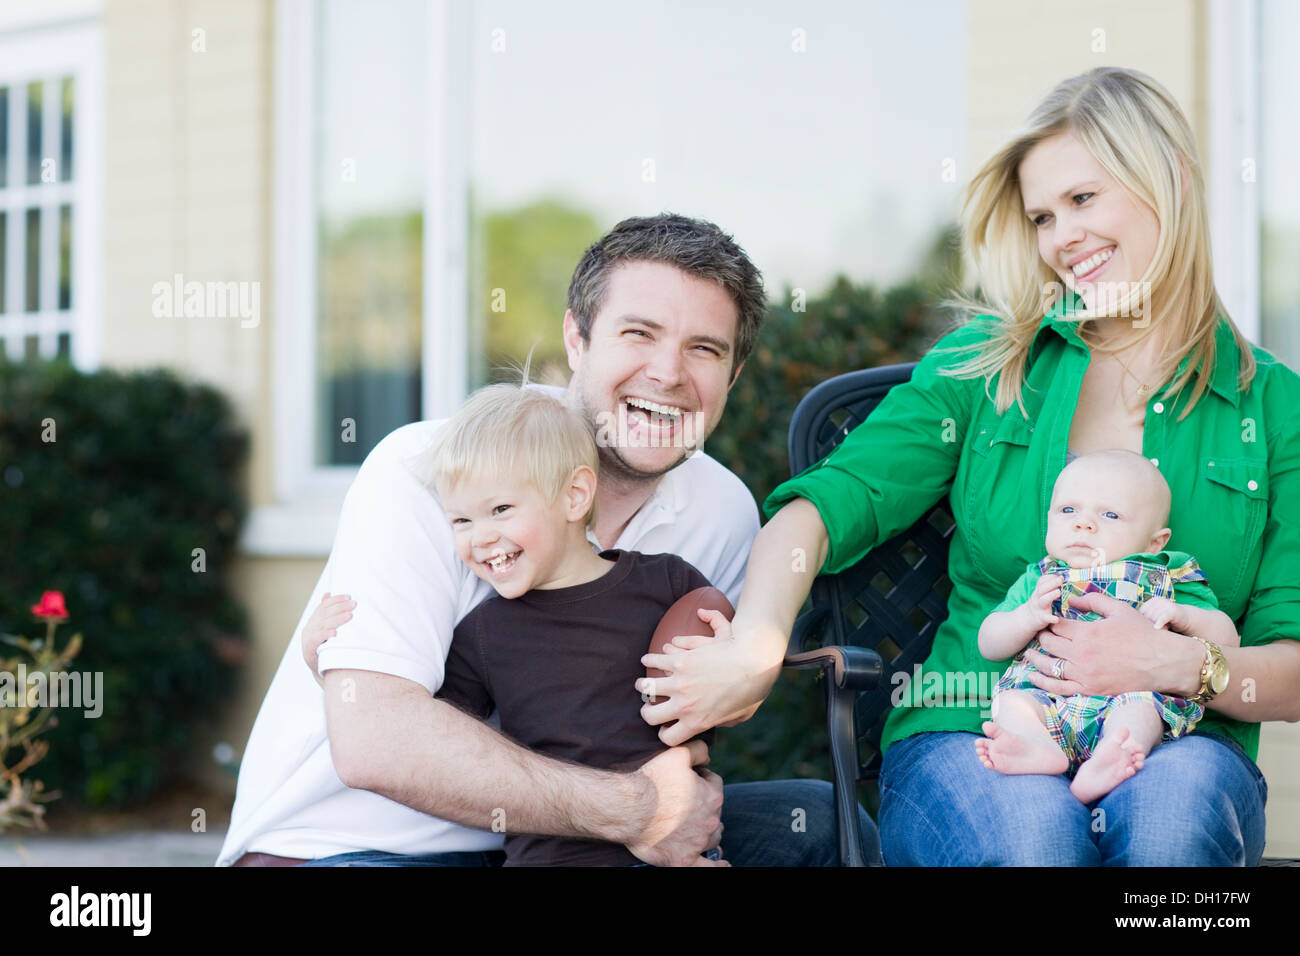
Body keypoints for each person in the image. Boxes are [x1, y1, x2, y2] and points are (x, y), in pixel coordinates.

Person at [649, 67, 1300, 865]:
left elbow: (1293, 665)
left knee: (1174, 820)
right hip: (975, 720)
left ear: (1168, 182)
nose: (1063, 238)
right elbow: (824, 509)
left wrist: (1173, 662)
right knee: (1036, 842)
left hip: (1174, 737)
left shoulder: (1272, 410)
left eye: (1084, 200)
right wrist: (756, 640)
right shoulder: (986, 369)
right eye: (1042, 217)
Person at [216, 213, 878, 867]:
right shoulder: (428, 468)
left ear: (731, 378)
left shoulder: (720, 511)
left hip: (565, 842)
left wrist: (727, 703)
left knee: (818, 825)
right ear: (577, 338)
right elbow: (375, 740)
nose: (669, 373)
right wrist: (642, 811)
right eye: (638, 334)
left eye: (704, 349)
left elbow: (672, 721)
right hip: (358, 848)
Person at [424, 382, 729, 865]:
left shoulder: (668, 582)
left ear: (574, 496)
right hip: (551, 857)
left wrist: (732, 664)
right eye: (461, 521)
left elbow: (729, 682)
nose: (481, 537)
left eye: (500, 509)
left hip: (678, 848)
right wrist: (324, 669)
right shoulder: (483, 633)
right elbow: (437, 739)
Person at [975, 449, 1240, 804]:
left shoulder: (1166, 573)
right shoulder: (1040, 578)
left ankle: (1109, 758)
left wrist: (1183, 615)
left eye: (1111, 514)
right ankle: (1037, 748)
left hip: (1127, 697)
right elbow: (988, 642)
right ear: (1050, 518)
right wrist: (1025, 617)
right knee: (1011, 703)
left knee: (1143, 712)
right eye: (1069, 510)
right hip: (1045, 697)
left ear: (1155, 541)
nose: (1084, 524)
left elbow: (1228, 641)